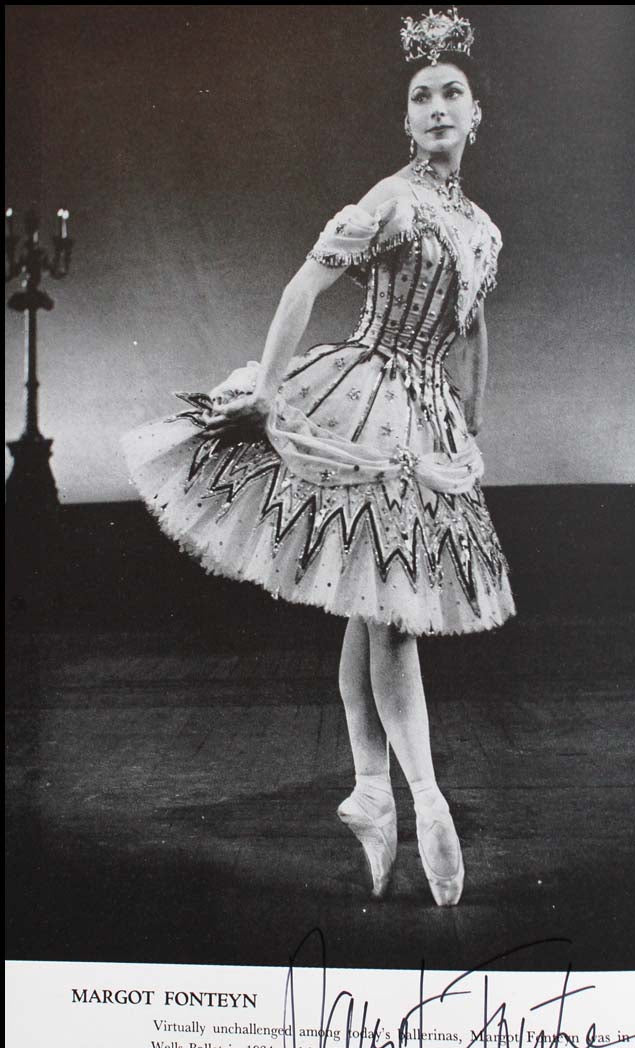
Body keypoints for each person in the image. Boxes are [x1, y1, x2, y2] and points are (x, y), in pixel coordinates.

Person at [121, 8, 515, 908]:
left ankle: (372, 789)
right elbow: (307, 280)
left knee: (374, 601)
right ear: (408, 121)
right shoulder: (391, 200)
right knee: (392, 615)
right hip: (363, 399)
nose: (438, 108)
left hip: (425, 422)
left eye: (453, 93)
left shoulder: (484, 229)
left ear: (475, 113)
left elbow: (476, 325)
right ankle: (424, 797)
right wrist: (266, 388)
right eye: (422, 97)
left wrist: (473, 422)